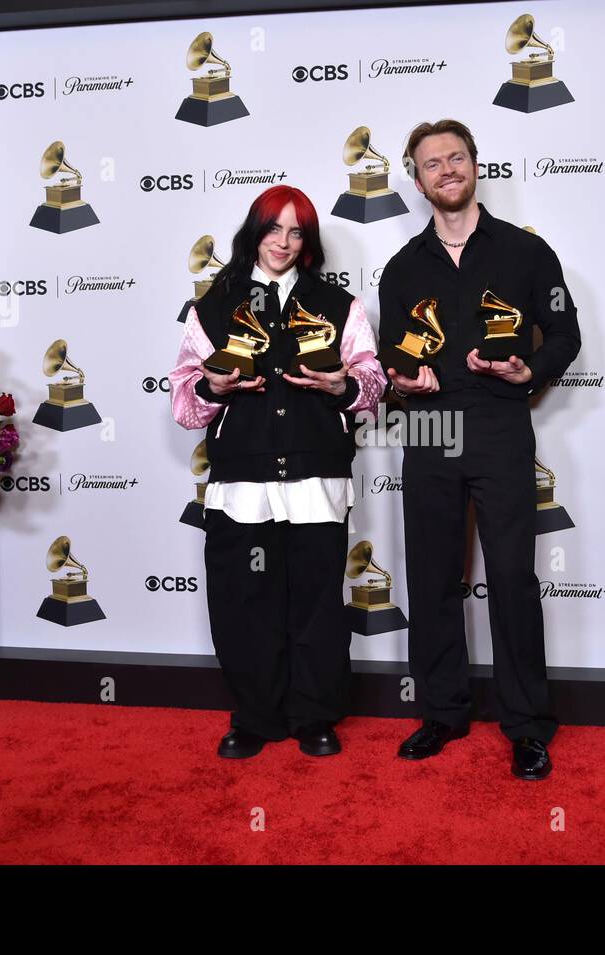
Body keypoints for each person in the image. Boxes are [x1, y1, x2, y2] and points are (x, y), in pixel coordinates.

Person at [377, 119, 581, 780]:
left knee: (513, 579)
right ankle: (442, 710)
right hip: (431, 427)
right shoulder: (403, 268)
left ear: (474, 165)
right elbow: (388, 356)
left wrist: (530, 371)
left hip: (498, 423)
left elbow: (566, 331)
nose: (446, 170)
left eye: (455, 157)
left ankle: (525, 723)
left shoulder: (526, 252)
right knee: (433, 575)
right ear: (417, 179)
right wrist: (405, 380)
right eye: (431, 163)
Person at [169, 184, 386, 758]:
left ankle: (314, 714)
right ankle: (254, 716)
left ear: (308, 242)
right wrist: (211, 386)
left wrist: (343, 384)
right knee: (245, 599)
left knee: (315, 600)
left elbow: (373, 386)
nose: (283, 242)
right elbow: (183, 404)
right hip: (242, 480)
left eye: (296, 232)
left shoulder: (340, 305)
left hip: (317, 475)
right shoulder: (213, 305)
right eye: (273, 229)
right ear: (254, 232)